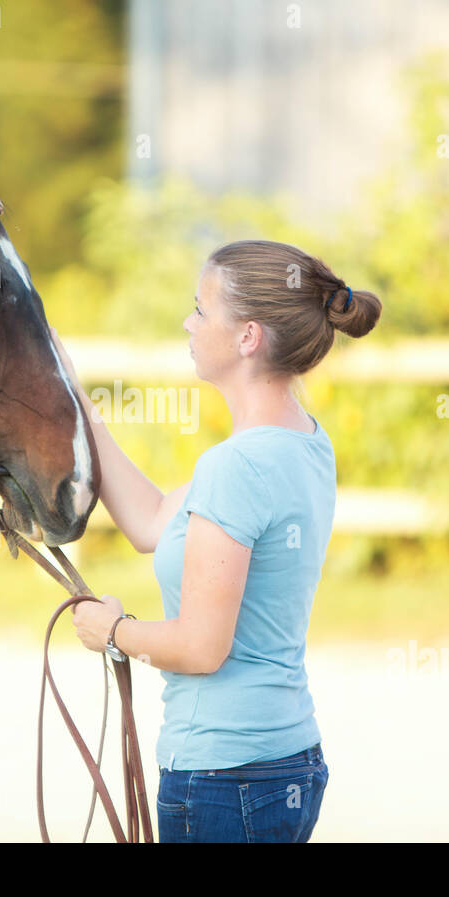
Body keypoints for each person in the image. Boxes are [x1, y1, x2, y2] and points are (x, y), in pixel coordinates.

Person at [48, 239, 381, 842]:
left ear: (248, 336)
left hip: (226, 781)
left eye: (201, 310)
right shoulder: (305, 441)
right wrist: (77, 404)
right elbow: (151, 520)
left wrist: (114, 635)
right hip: (282, 763)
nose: (188, 322)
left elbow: (202, 648)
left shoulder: (237, 467)